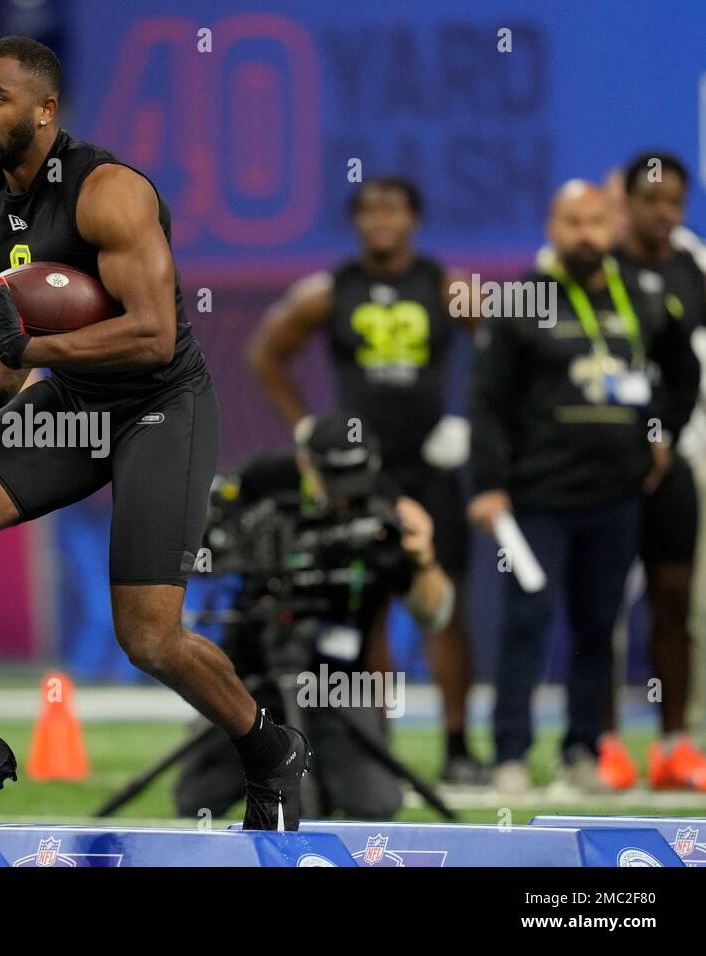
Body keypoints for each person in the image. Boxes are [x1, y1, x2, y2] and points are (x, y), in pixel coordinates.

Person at [0, 36, 309, 832]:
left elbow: (152, 335)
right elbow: (13, 322)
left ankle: (268, 747)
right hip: (75, 399)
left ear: (45, 111)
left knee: (148, 637)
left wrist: (29, 354)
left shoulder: (108, 191)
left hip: (161, 407)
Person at [247, 177, 486, 784]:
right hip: (359, 476)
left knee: (444, 604)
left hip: (430, 464)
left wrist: (467, 420)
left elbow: (503, 352)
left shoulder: (447, 285)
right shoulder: (331, 291)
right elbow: (266, 352)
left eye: (394, 209)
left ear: (415, 219)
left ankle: (457, 746)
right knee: (366, 609)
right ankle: (375, 747)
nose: (381, 220)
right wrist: (306, 430)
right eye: (369, 210)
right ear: (354, 221)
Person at [468, 180, 699, 795]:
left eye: (597, 221)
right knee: (527, 622)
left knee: (598, 628)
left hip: (617, 496)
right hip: (535, 499)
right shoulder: (521, 299)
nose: (587, 234)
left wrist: (662, 434)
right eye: (573, 222)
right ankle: (511, 755)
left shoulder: (644, 296)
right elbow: (487, 400)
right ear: (552, 227)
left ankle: (582, 749)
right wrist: (488, 485)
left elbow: (684, 373)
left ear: (612, 226)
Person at [174, 412, 456, 820]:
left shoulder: (385, 511)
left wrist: (424, 559)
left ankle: (321, 773)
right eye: (333, 476)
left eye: (356, 475)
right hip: (248, 678)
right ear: (306, 463)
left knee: (376, 804)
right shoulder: (262, 482)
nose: (344, 494)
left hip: (336, 684)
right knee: (196, 798)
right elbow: (204, 541)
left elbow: (435, 615)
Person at [603, 151, 706, 790]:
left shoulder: (692, 267)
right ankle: (605, 742)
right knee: (603, 607)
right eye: (652, 200)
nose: (664, 212)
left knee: (676, 603)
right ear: (627, 202)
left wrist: (664, 436)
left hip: (678, 458)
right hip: (604, 464)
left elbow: (684, 368)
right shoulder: (592, 266)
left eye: (674, 201)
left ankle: (675, 742)